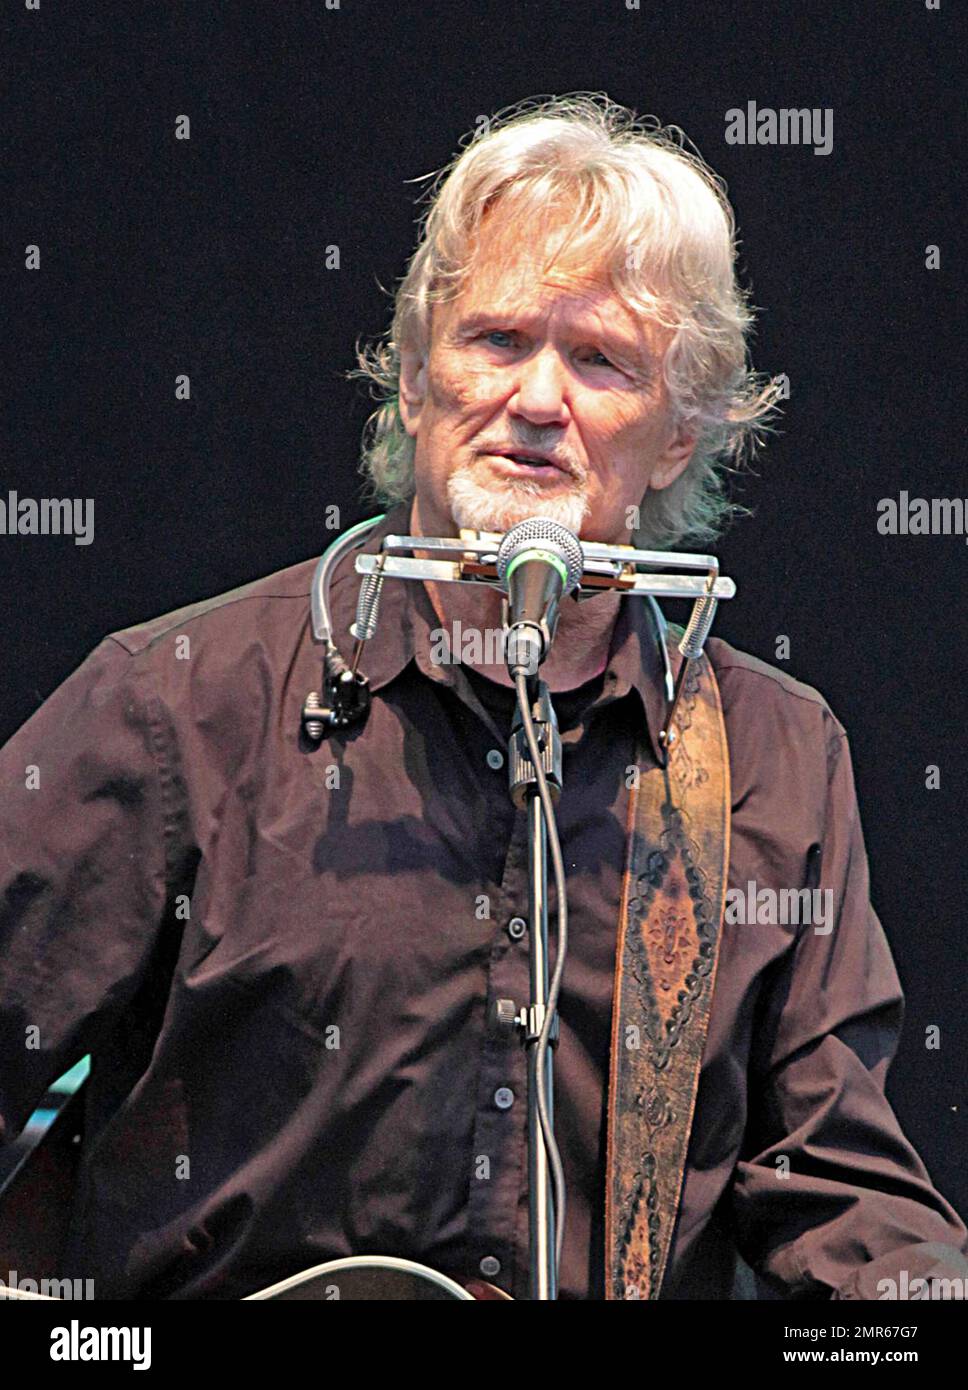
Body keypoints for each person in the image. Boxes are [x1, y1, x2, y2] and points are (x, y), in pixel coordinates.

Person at [0, 95, 965, 1301]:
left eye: (601, 360)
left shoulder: (769, 752)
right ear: (413, 381)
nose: (538, 400)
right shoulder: (175, 706)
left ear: (678, 434)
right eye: (497, 341)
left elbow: (836, 1184)